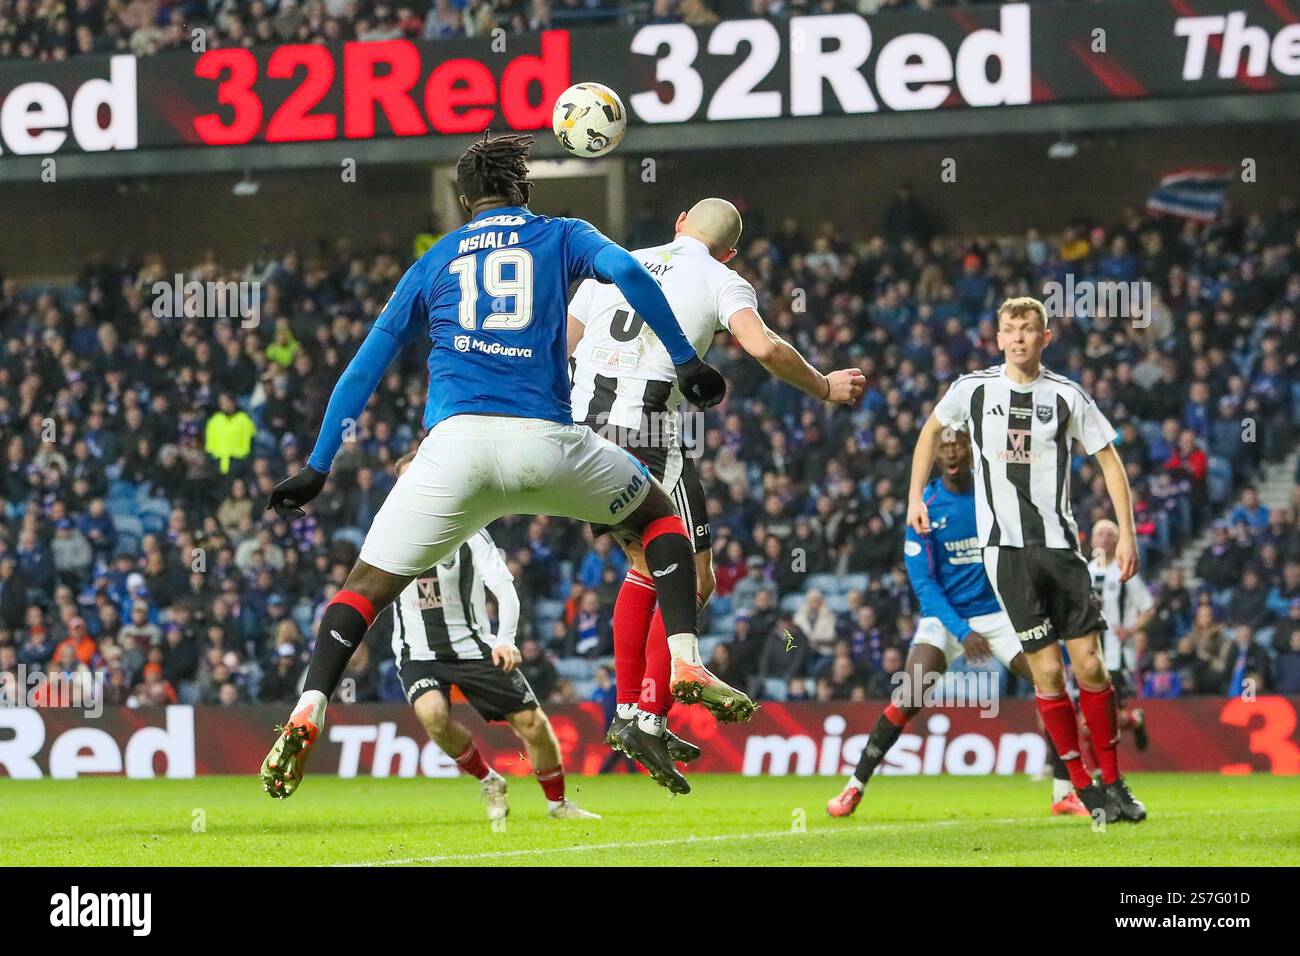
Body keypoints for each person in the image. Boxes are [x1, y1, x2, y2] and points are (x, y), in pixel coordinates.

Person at [260, 133, 728, 799]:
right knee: (658, 517)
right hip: (545, 442)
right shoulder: (563, 233)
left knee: (363, 587)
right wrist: (685, 358)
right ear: (524, 190)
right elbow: (627, 274)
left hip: (452, 451)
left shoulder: (436, 259)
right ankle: (683, 659)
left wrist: (318, 464)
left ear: (461, 200)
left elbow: (365, 364)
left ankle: (311, 701)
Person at [567, 197, 864, 784]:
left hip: (581, 431)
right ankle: (663, 692)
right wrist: (824, 387)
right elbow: (765, 349)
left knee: (650, 566)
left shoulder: (613, 260)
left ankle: (637, 714)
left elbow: (564, 345)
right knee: (689, 576)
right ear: (731, 251)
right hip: (647, 431)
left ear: (678, 222)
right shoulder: (724, 278)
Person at [906, 296, 1146, 824]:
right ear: (997, 339)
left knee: (1092, 667)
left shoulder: (1066, 396)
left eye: (1029, 329)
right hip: (1006, 557)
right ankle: (1084, 787)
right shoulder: (972, 390)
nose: (1019, 338)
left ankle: (1114, 779)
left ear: (1045, 337)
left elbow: (1110, 462)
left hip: (1061, 550)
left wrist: (1127, 534)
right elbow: (929, 431)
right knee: (1048, 674)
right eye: (1010, 330)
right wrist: (914, 499)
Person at [828, 429, 1085, 819]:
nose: (950, 453)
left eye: (957, 445)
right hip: (944, 617)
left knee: (1050, 679)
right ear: (934, 455)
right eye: (943, 446)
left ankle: (1064, 792)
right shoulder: (925, 505)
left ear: (970, 450)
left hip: (997, 614)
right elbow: (923, 584)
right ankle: (854, 787)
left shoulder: (993, 496)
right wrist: (962, 632)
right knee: (910, 695)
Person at [379, 452, 597, 821]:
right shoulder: (386, 536)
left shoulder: (468, 531)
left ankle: (558, 804)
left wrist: (505, 638)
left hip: (471, 645)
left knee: (533, 725)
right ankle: (489, 779)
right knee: (433, 714)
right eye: (403, 481)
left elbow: (504, 588)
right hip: (417, 651)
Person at [1087, 518, 1152, 750]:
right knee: (1091, 717)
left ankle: (1103, 773)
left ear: (1117, 541)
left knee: (1102, 715)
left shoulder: (1124, 572)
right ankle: (1134, 719)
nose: (1104, 539)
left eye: (1109, 535)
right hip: (1088, 652)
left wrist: (1131, 630)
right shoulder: (1085, 573)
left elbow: (1148, 606)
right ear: (1092, 540)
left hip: (1116, 654)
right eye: (1100, 534)